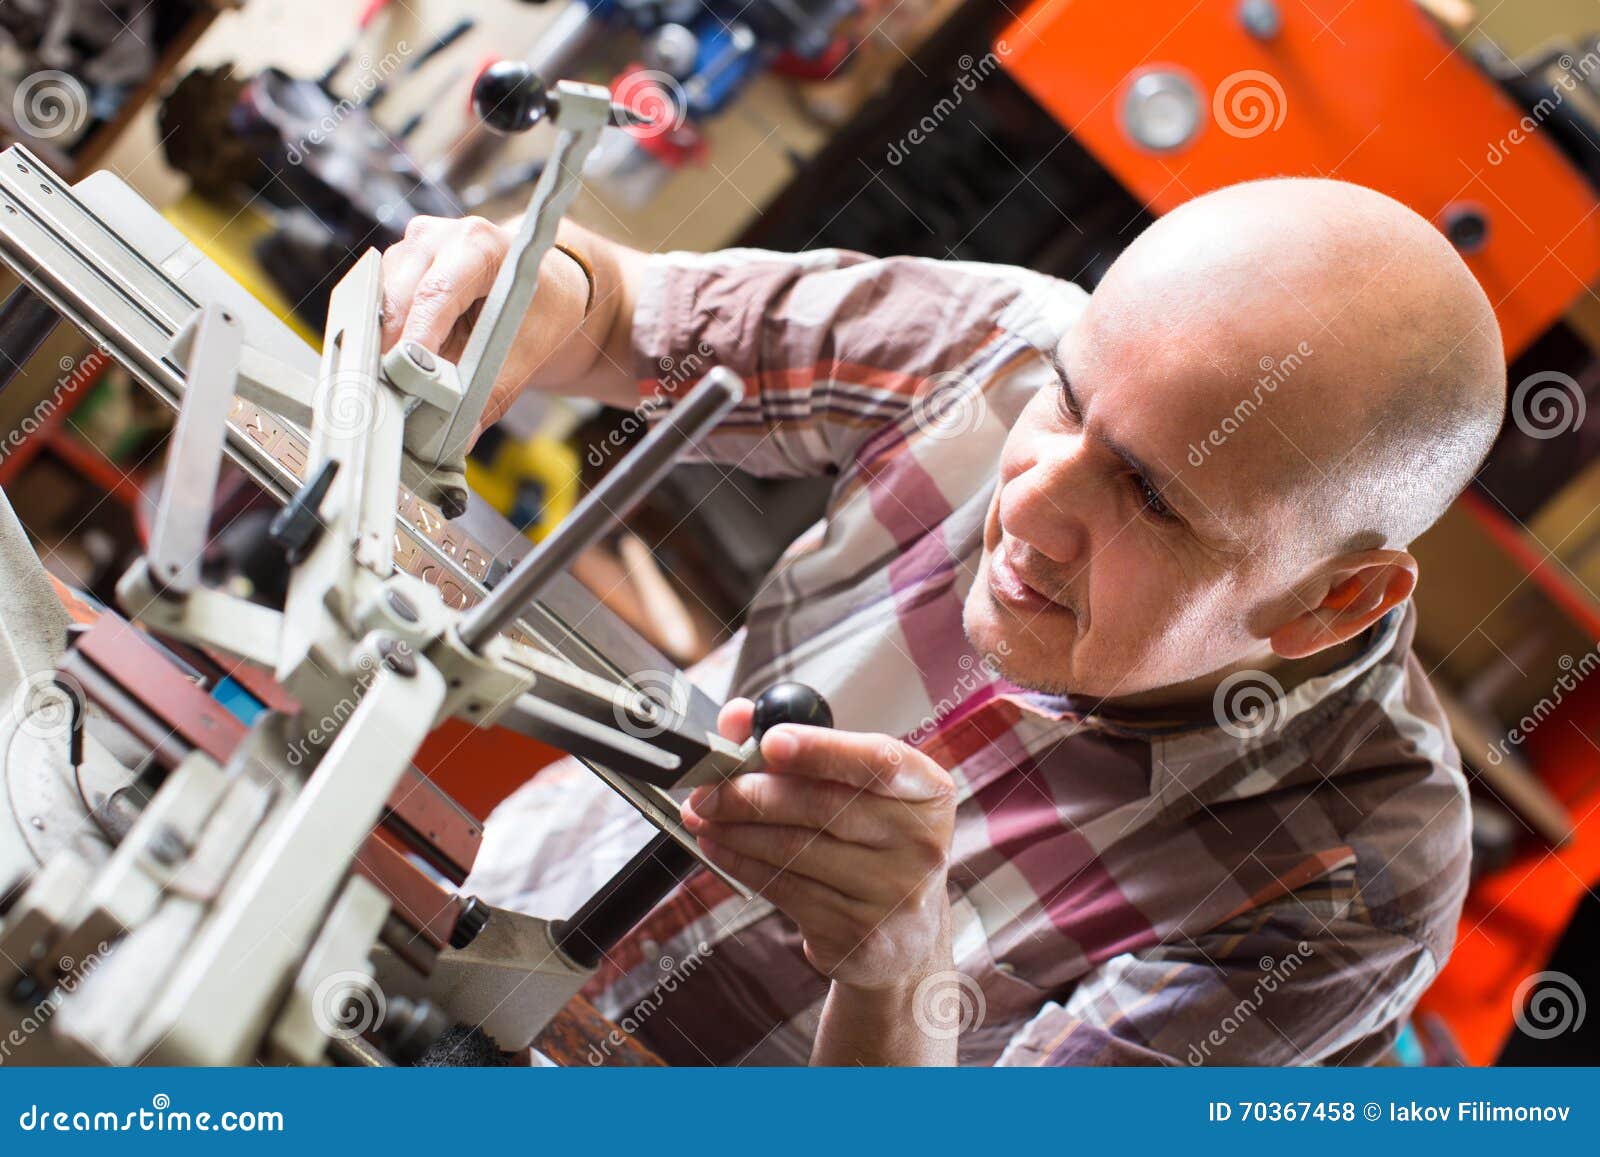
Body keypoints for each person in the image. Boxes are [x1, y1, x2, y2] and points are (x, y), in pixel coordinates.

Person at [379, 177, 1505, 1065]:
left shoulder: (1353, 885)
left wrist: (897, 971)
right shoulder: (1002, 346)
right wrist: (530, 288)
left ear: (1333, 599)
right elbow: (626, 311)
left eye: (1153, 499)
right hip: (446, 928)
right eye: (1067, 397)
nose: (1030, 504)